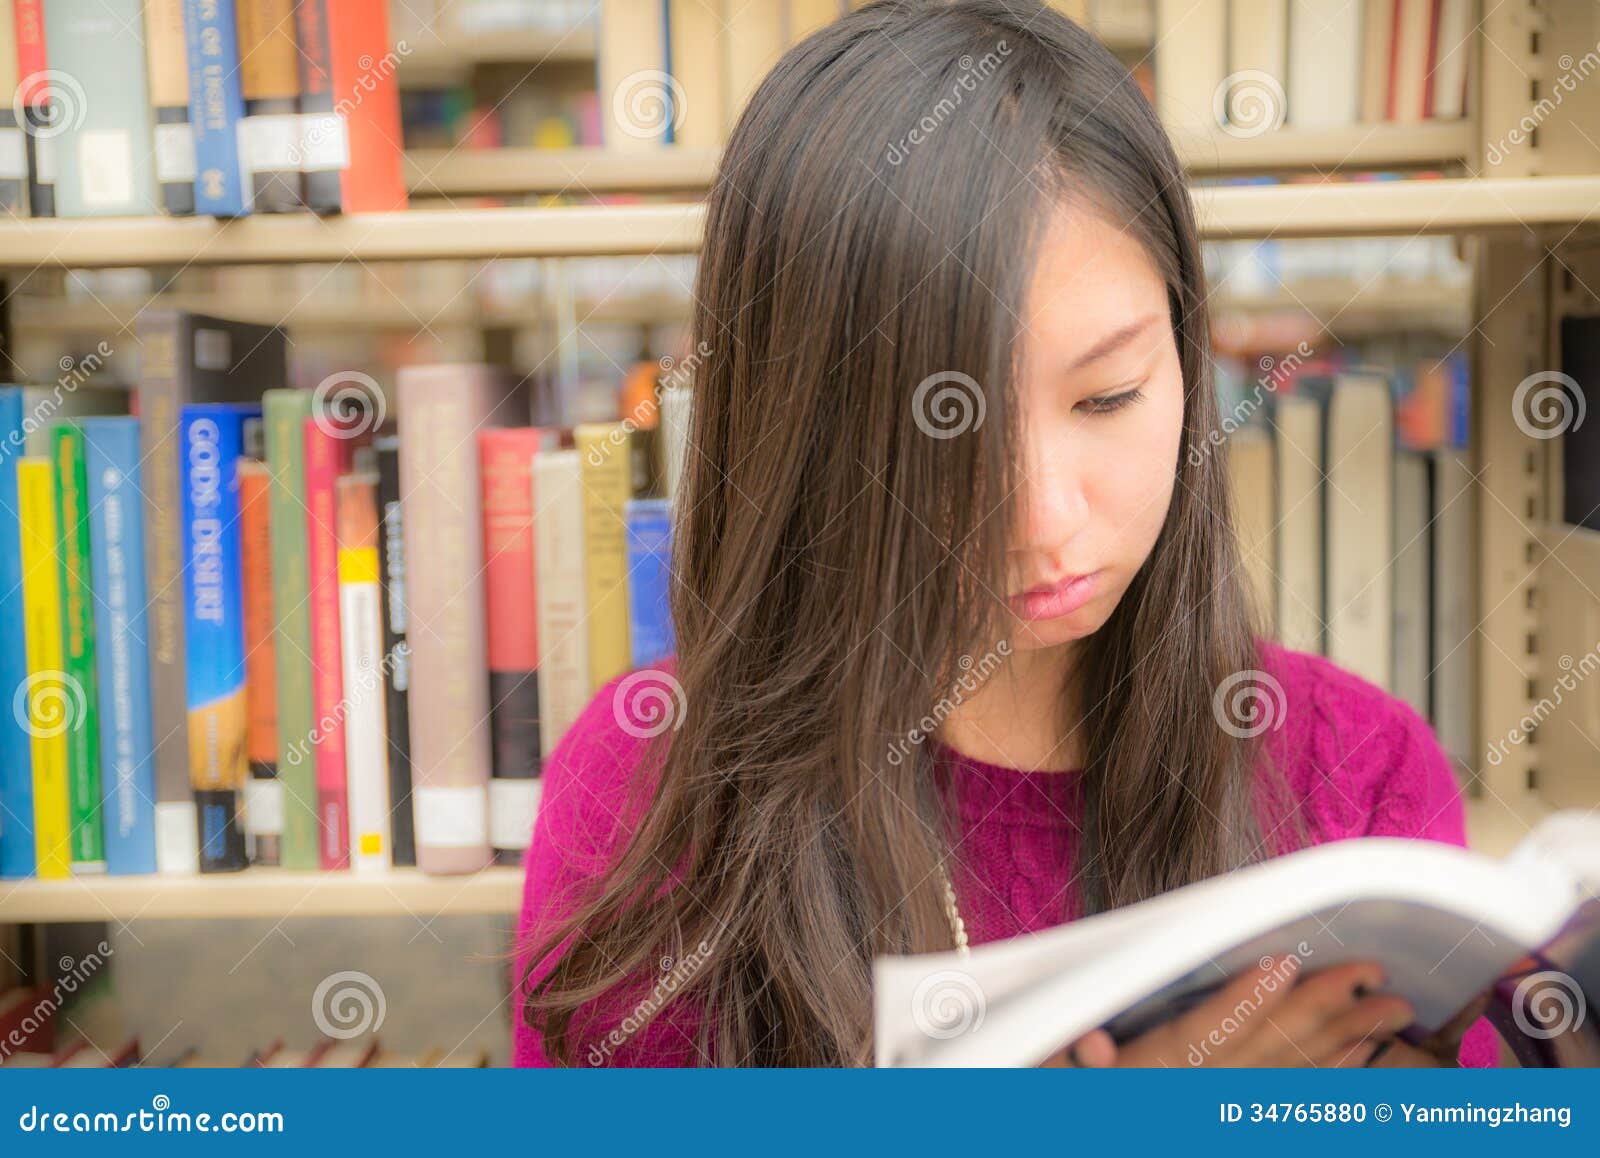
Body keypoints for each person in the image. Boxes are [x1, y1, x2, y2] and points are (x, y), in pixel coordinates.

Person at [512, 0, 1498, 1068]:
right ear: (804, 429)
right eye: (950, 431)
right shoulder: (649, 792)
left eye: (1109, 397)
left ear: (1185, 358)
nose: (1044, 520)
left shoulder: (1355, 771)